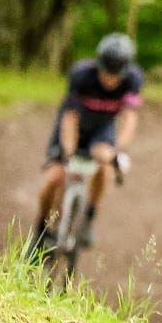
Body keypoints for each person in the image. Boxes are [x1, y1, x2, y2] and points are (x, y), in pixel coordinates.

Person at [32, 32, 144, 252]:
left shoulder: (133, 79)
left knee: (104, 167)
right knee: (55, 177)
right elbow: (70, 117)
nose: (110, 80)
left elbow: (130, 117)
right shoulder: (81, 74)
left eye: (115, 75)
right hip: (72, 126)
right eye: (106, 73)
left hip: (102, 130)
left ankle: (89, 216)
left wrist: (118, 150)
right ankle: (40, 230)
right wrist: (68, 151)